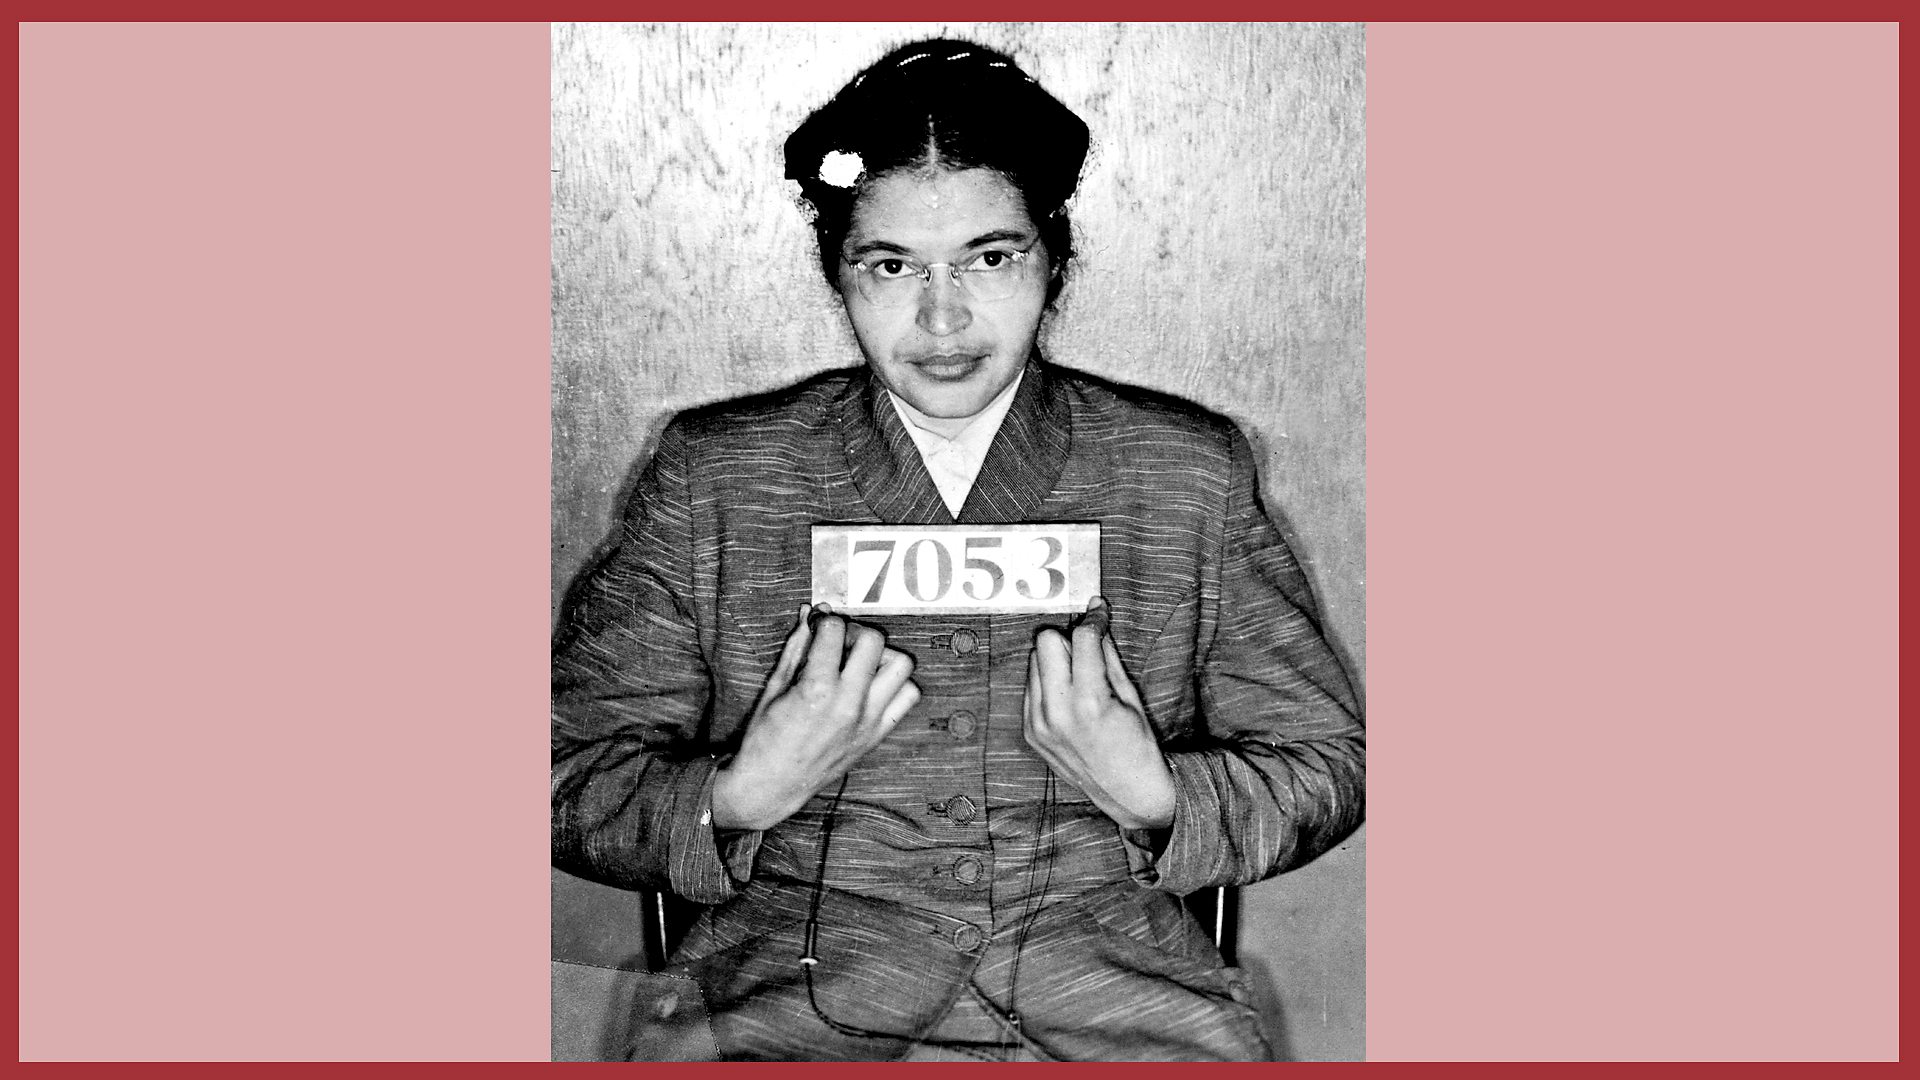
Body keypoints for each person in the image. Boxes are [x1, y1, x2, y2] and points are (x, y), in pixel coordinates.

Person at [551, 37, 1364, 1062]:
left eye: (990, 258)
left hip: (1119, 998)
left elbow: (1327, 764)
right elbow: (561, 777)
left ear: (1053, 259)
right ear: (838, 274)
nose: (942, 319)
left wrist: (1159, 795)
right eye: (892, 266)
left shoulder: (1184, 472)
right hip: (782, 997)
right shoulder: (716, 476)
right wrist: (737, 796)